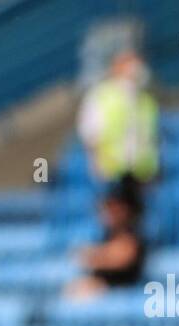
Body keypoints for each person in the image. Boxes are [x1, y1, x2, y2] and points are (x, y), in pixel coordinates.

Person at [77, 50, 159, 186]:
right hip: (110, 171)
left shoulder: (147, 101)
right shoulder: (101, 95)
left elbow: (152, 137)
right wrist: (95, 162)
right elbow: (89, 133)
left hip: (142, 173)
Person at [67, 178, 146, 298]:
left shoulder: (134, 235)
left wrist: (96, 256)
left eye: (114, 207)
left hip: (124, 295)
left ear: (126, 210)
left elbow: (123, 258)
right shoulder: (105, 235)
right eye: (107, 207)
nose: (108, 213)